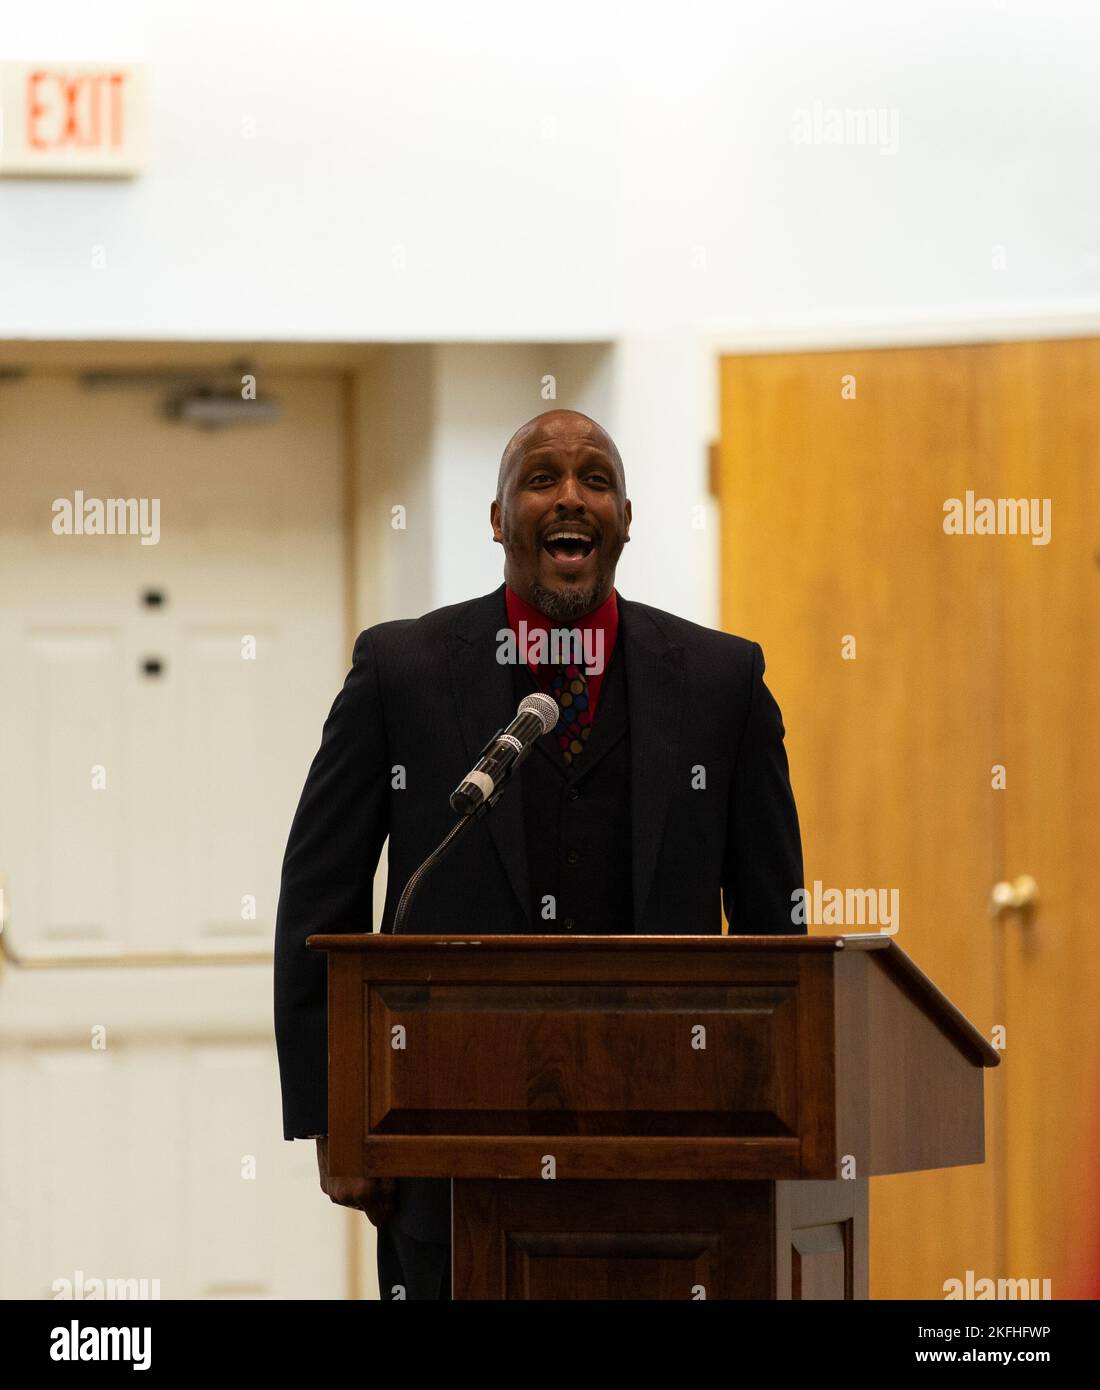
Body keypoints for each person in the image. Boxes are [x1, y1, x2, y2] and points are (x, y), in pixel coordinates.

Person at [273, 408, 805, 1300]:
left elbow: (773, 925)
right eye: (542, 479)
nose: (571, 497)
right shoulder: (401, 670)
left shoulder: (724, 682)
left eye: (596, 480)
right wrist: (339, 1116)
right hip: (446, 1144)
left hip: (675, 1154)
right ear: (496, 517)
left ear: (627, 518)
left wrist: (786, 1119)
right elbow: (318, 897)